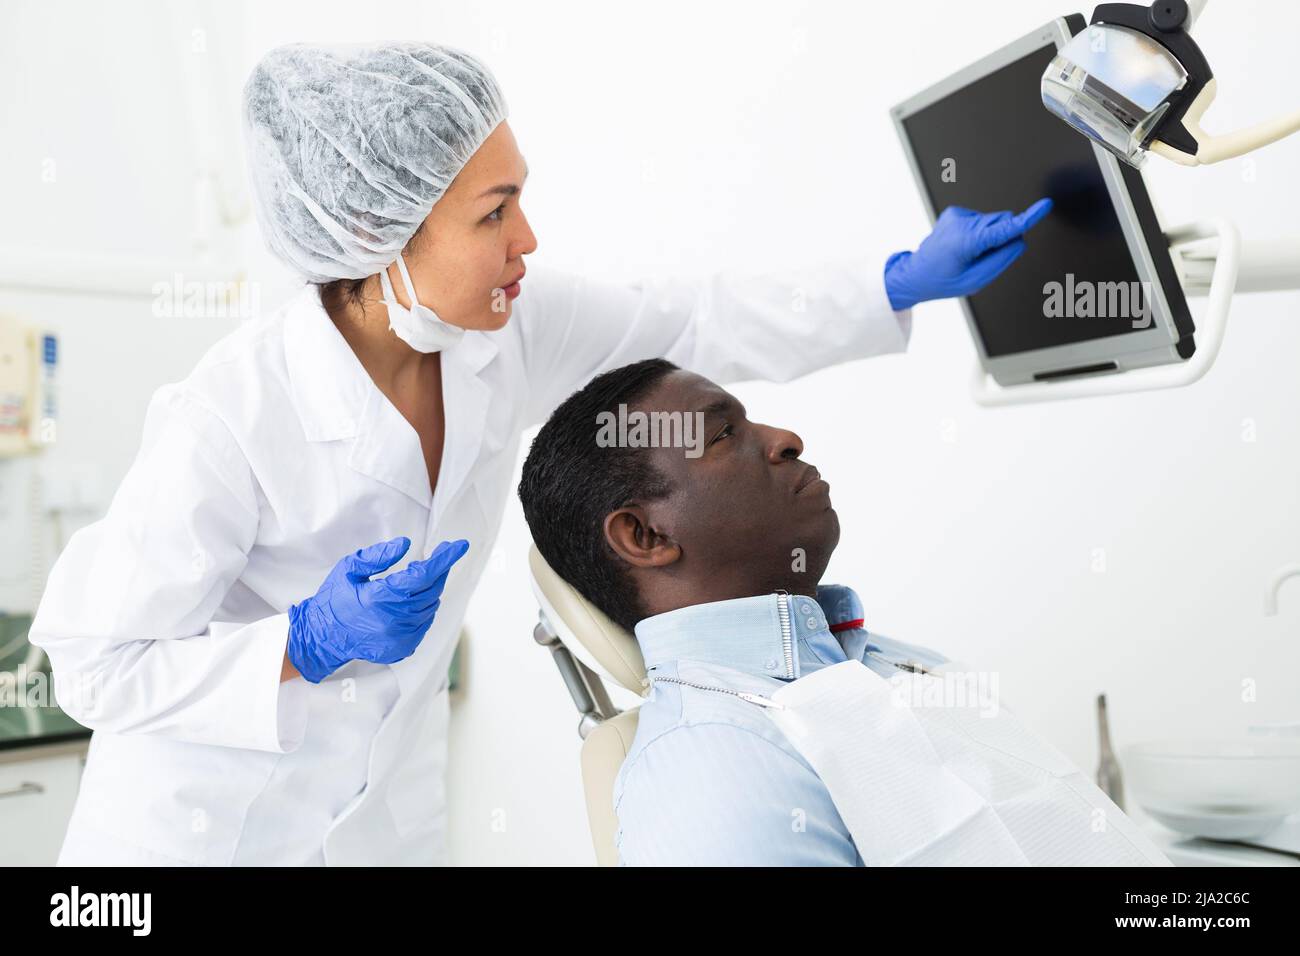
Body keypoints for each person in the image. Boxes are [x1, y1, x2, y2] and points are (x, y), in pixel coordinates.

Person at [30, 40, 1050, 866]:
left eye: (518, 197)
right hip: (191, 838)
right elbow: (91, 662)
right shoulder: (231, 415)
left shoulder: (495, 329)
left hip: (374, 820)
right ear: (369, 229)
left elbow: (690, 321)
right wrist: (305, 640)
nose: (527, 239)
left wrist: (895, 283)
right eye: (492, 212)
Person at [517, 359, 1169, 867]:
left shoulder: (872, 661)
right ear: (646, 536)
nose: (785, 439)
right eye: (724, 434)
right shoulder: (712, 762)